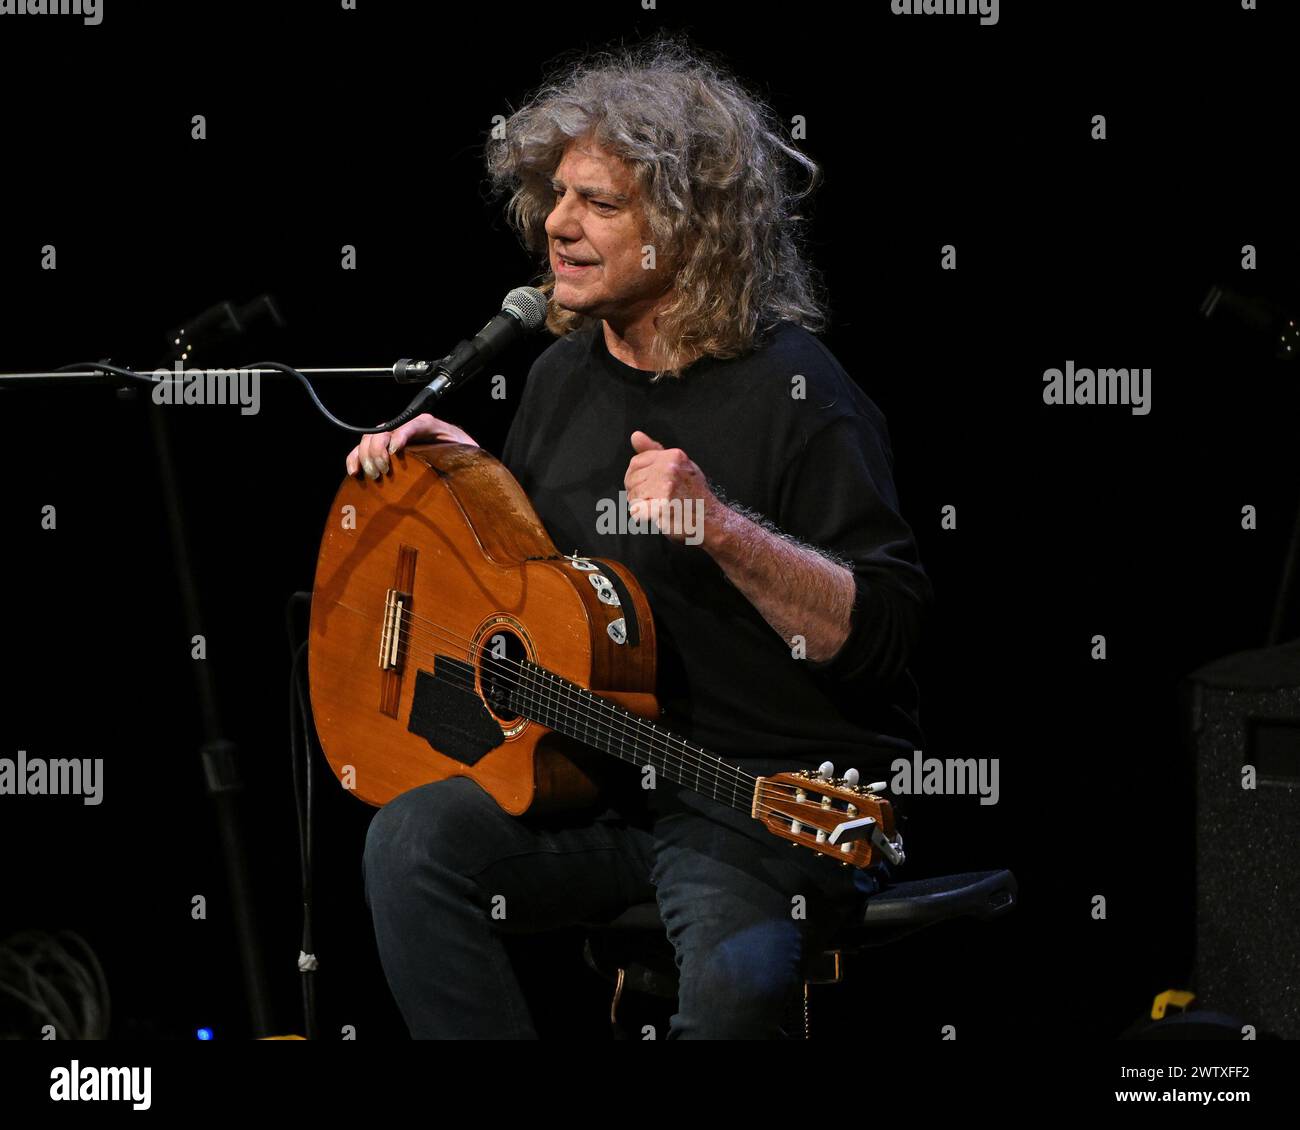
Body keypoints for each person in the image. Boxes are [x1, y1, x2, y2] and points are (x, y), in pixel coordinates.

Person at [350, 34, 933, 1039]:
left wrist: (721, 528)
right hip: (599, 779)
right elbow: (533, 586)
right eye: (557, 197)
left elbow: (886, 631)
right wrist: (459, 478)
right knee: (412, 845)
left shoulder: (800, 392)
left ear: (692, 231)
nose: (558, 227)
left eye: (599, 204)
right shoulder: (559, 378)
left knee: (736, 980)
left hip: (752, 798)